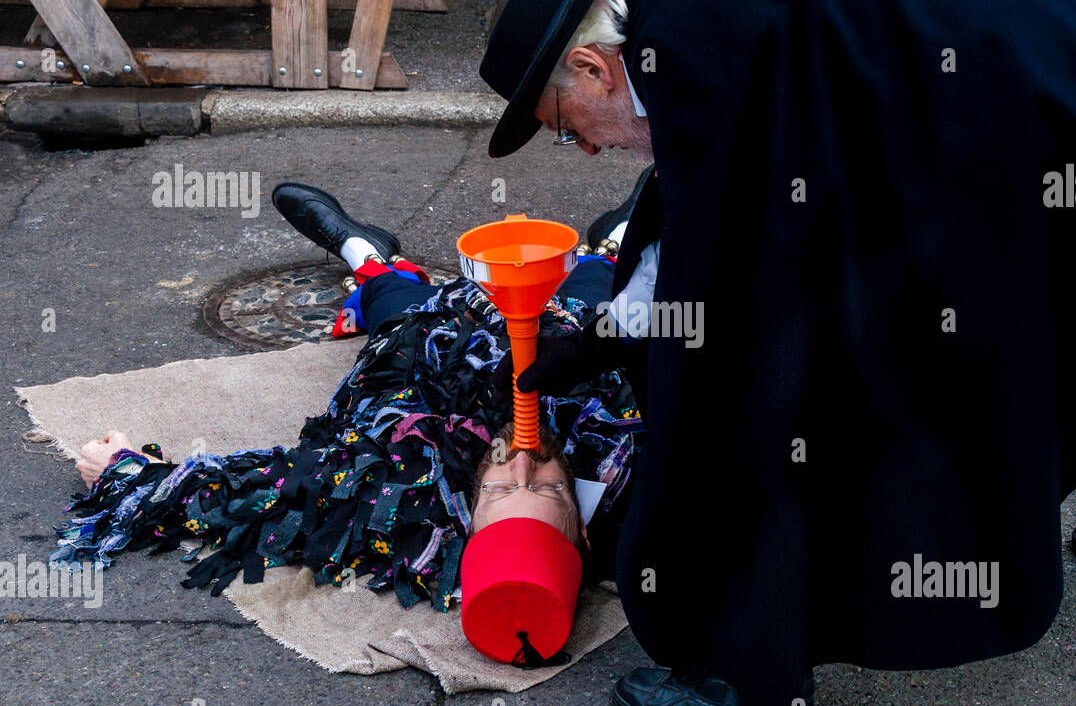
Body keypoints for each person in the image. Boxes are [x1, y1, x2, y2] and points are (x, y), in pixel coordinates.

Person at [479, 0, 1076, 706]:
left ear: (592, 65)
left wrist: (634, 357)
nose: (579, 148)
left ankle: (759, 686)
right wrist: (609, 334)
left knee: (789, 390)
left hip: (1034, 116)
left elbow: (723, 286)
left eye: (561, 122)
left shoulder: (697, 51)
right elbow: (705, 216)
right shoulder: (686, 6)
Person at [55, 182, 642, 648]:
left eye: (501, 491)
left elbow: (248, 496)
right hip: (573, 344)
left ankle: (365, 253)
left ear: (467, 510)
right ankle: (615, 241)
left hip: (419, 356)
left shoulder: (402, 496)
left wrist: (124, 472)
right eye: (546, 489)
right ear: (583, 522)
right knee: (592, 291)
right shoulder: (626, 470)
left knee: (397, 313)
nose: (521, 462)